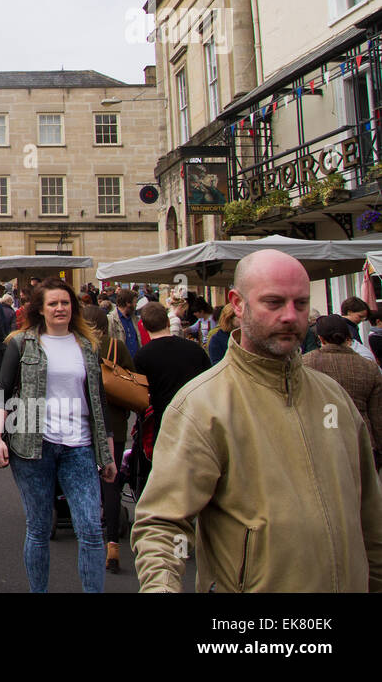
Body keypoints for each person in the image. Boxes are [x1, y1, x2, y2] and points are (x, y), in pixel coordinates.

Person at [132, 250, 382, 592]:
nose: (290, 317)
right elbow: (164, 525)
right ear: (237, 303)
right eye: (274, 302)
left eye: (301, 303)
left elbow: (370, 515)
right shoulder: (202, 405)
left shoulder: (333, 399)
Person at [0, 277, 116, 593]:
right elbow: (3, 392)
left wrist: (108, 451)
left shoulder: (87, 346)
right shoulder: (21, 342)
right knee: (38, 528)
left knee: (89, 529)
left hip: (80, 446)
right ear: (41, 309)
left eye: (65, 303)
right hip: (34, 445)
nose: (60, 308)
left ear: (73, 307)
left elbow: (98, 398)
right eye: (53, 303)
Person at [129, 302, 211, 493]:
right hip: (196, 421)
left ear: (144, 326)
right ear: (168, 321)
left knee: (166, 477)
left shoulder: (142, 356)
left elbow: (141, 396)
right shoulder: (194, 350)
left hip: (163, 422)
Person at [82, 304, 134, 575]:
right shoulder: (116, 347)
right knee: (111, 483)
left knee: (86, 479)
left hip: (86, 423)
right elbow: (132, 380)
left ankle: (89, 538)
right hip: (114, 421)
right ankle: (112, 543)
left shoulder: (78, 347)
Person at [303, 314, 382, 470]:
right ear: (348, 337)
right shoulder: (369, 367)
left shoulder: (305, 364)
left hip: (321, 441)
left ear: (320, 338)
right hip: (361, 441)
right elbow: (377, 415)